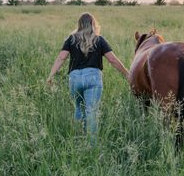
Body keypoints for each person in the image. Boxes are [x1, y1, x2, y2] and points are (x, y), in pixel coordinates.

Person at [46, 12, 128, 143]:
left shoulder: (71, 39)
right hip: (93, 78)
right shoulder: (99, 40)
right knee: (91, 112)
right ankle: (92, 145)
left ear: (79, 24)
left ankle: (78, 140)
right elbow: (112, 59)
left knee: (78, 108)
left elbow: (61, 57)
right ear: (93, 24)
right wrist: (126, 73)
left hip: (75, 78)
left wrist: (51, 75)